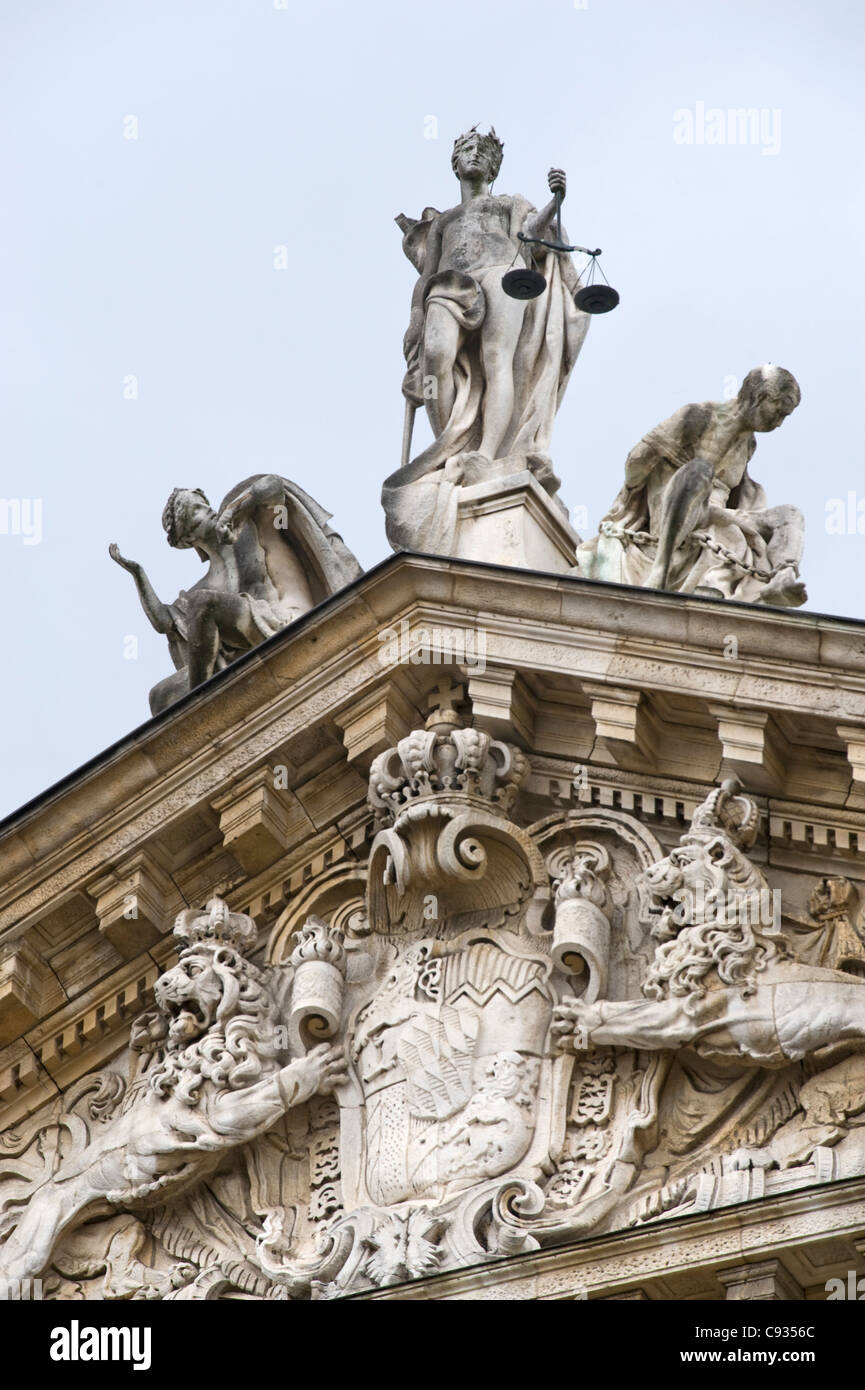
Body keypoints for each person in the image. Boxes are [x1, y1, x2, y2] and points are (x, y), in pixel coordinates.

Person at [383, 127, 590, 552]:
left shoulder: (508, 203)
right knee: (437, 356)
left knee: (499, 359)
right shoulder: (443, 221)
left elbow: (530, 233)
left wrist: (556, 201)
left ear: (493, 165)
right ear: (455, 162)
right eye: (467, 149)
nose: (474, 154)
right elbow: (426, 278)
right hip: (450, 283)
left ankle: (488, 454)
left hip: (503, 274)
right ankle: (449, 446)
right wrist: (415, 320)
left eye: (483, 151)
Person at [110, 474, 362, 712]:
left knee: (203, 604)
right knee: (160, 697)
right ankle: (206, 699)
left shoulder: (249, 525)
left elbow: (272, 486)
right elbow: (164, 622)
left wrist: (236, 508)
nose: (207, 510)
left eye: (203, 503)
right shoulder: (204, 587)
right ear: (188, 538)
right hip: (243, 645)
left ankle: (201, 704)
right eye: (196, 511)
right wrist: (138, 574)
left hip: (283, 620)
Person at [578, 365, 806, 606]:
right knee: (700, 471)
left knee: (791, 514)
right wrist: (640, 496)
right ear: (760, 397)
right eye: (779, 412)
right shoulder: (698, 417)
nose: (779, 422)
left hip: (715, 513)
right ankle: (660, 570)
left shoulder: (748, 444)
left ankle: (782, 578)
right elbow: (636, 462)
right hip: (673, 508)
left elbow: (740, 496)